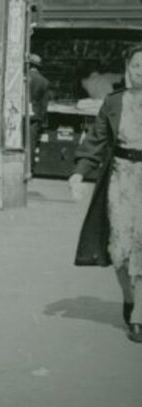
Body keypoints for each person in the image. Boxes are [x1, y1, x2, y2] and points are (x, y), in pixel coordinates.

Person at [69, 44, 142, 344]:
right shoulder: (114, 103)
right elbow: (96, 141)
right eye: (138, 66)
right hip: (121, 179)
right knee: (120, 250)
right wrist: (79, 172)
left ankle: (139, 314)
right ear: (127, 67)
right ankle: (129, 296)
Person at [28, 53, 50, 179]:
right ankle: (29, 169)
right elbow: (44, 104)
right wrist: (41, 119)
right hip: (35, 116)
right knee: (31, 143)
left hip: (20, 114)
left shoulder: (22, 78)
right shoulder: (44, 81)